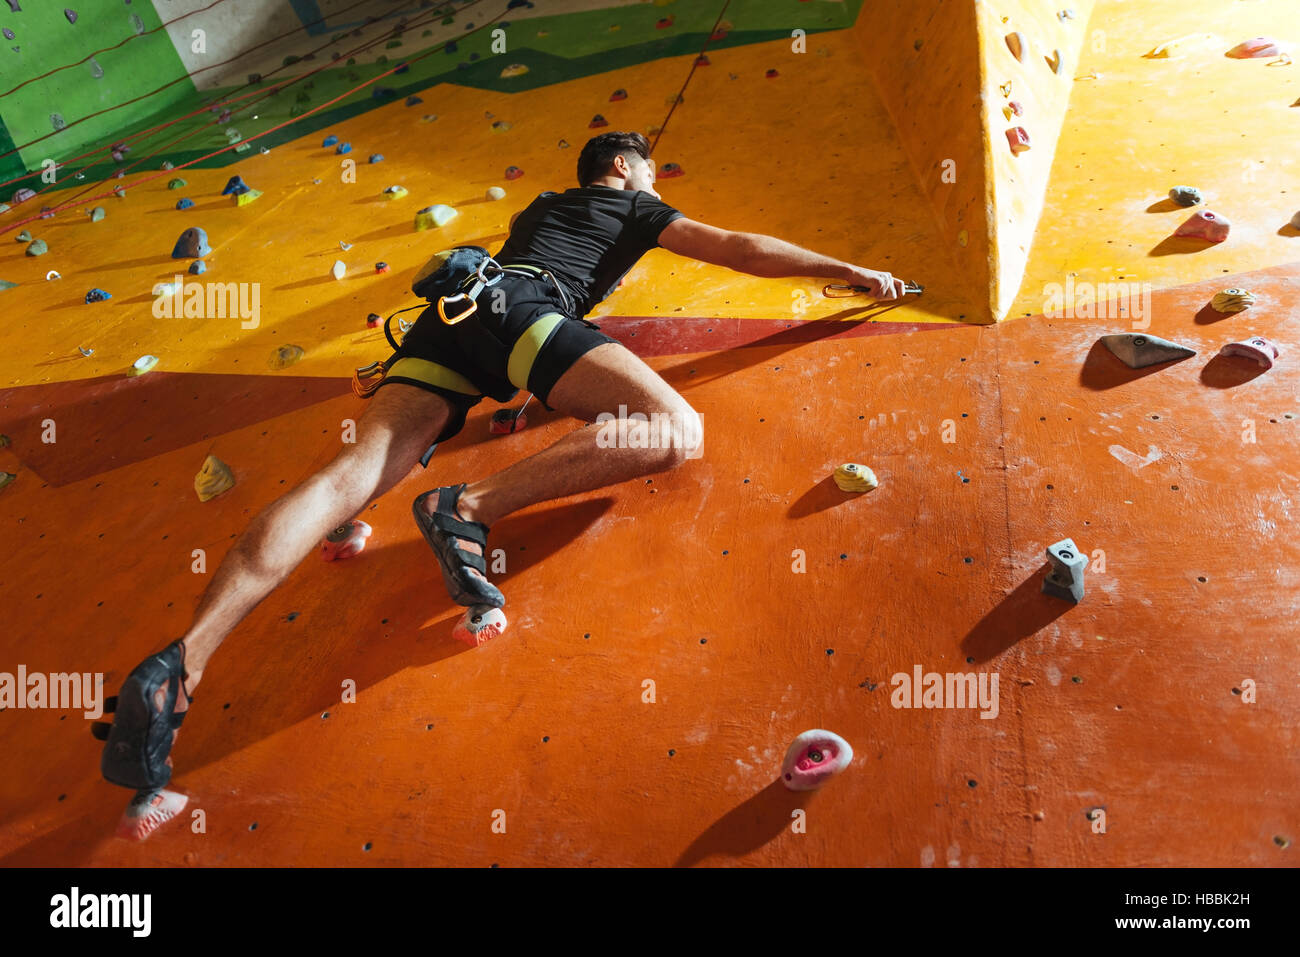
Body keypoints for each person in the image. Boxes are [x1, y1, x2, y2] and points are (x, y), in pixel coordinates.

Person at [96, 130, 905, 793]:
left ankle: (183, 662)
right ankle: (467, 508)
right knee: (672, 429)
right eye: (649, 173)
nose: (654, 185)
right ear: (623, 169)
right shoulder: (628, 202)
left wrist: (526, 384)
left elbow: (556, 299)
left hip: (451, 319)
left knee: (343, 481)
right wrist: (847, 270)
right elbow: (736, 247)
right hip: (518, 311)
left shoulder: (546, 208)